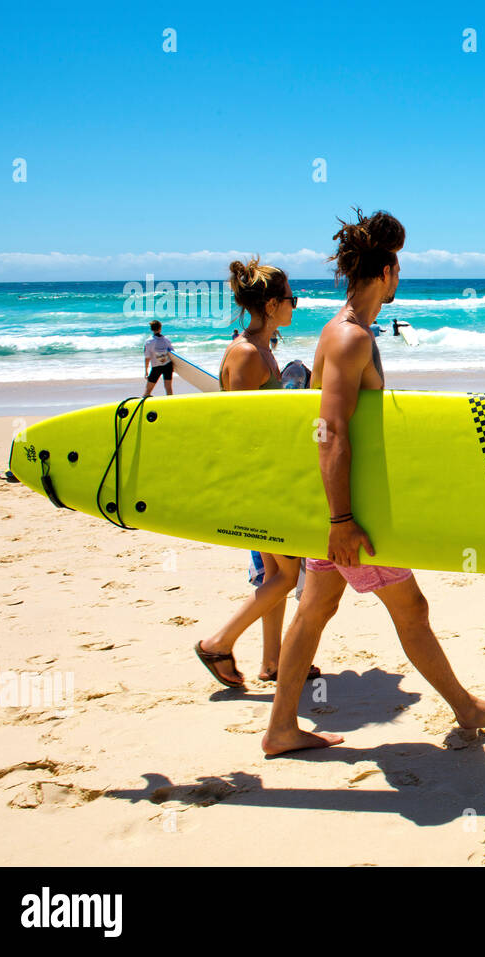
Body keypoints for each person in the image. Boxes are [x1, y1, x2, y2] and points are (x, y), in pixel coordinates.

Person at [262, 209, 485, 755]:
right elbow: (330, 431)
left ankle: (280, 728)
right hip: (355, 512)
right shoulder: (350, 338)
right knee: (412, 611)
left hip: (339, 504)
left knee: (315, 609)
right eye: (398, 267)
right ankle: (466, 707)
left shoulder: (346, 331)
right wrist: (341, 520)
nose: (400, 277)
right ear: (385, 272)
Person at [193, 259, 319, 689]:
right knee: (285, 576)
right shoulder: (247, 353)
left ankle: (273, 663)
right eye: (290, 299)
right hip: (257, 482)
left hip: (266, 478)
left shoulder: (262, 349)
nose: (295, 306)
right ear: (270, 303)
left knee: (274, 575)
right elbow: (239, 429)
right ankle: (217, 642)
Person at [141, 320, 174, 397]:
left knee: (148, 390)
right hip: (168, 366)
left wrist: (146, 371)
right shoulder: (166, 340)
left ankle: (142, 406)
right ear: (160, 328)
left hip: (156, 367)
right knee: (168, 388)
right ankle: (171, 405)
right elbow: (173, 354)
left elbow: (147, 358)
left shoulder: (149, 342)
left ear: (151, 329)